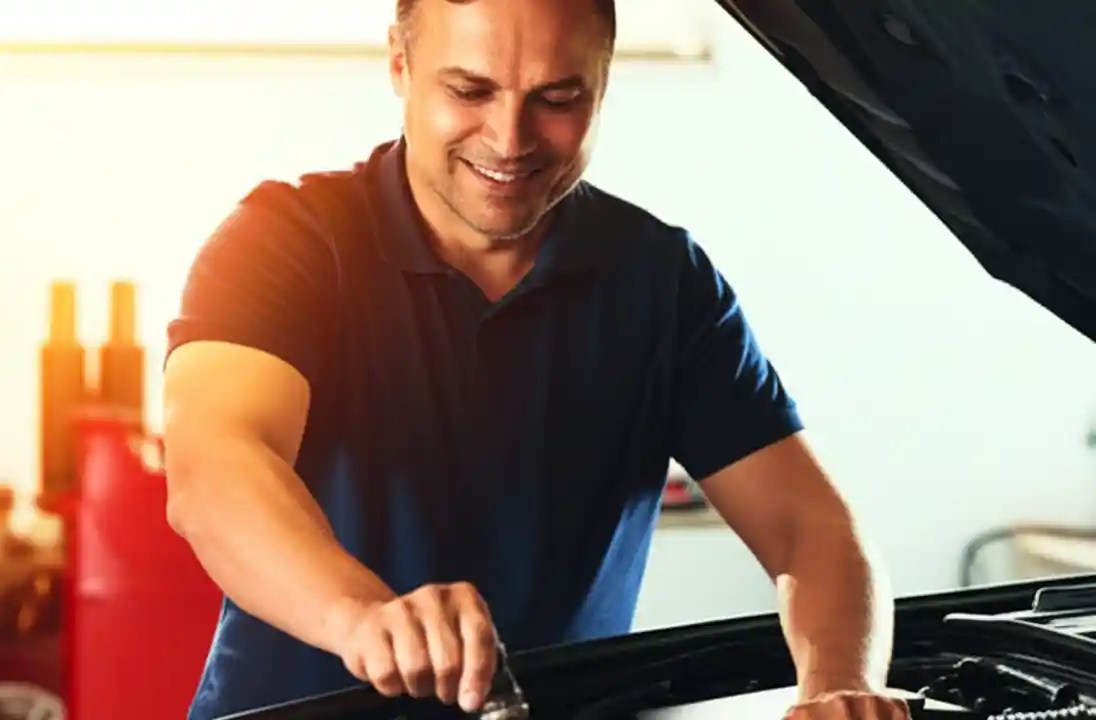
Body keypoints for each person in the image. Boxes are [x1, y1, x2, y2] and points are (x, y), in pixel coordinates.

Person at [161, 0, 908, 718]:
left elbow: (809, 527)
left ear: (604, 86)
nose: (510, 138)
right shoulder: (288, 242)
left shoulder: (663, 283)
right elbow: (216, 468)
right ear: (400, 63)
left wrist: (838, 681)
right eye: (469, 90)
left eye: (557, 96)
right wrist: (363, 617)